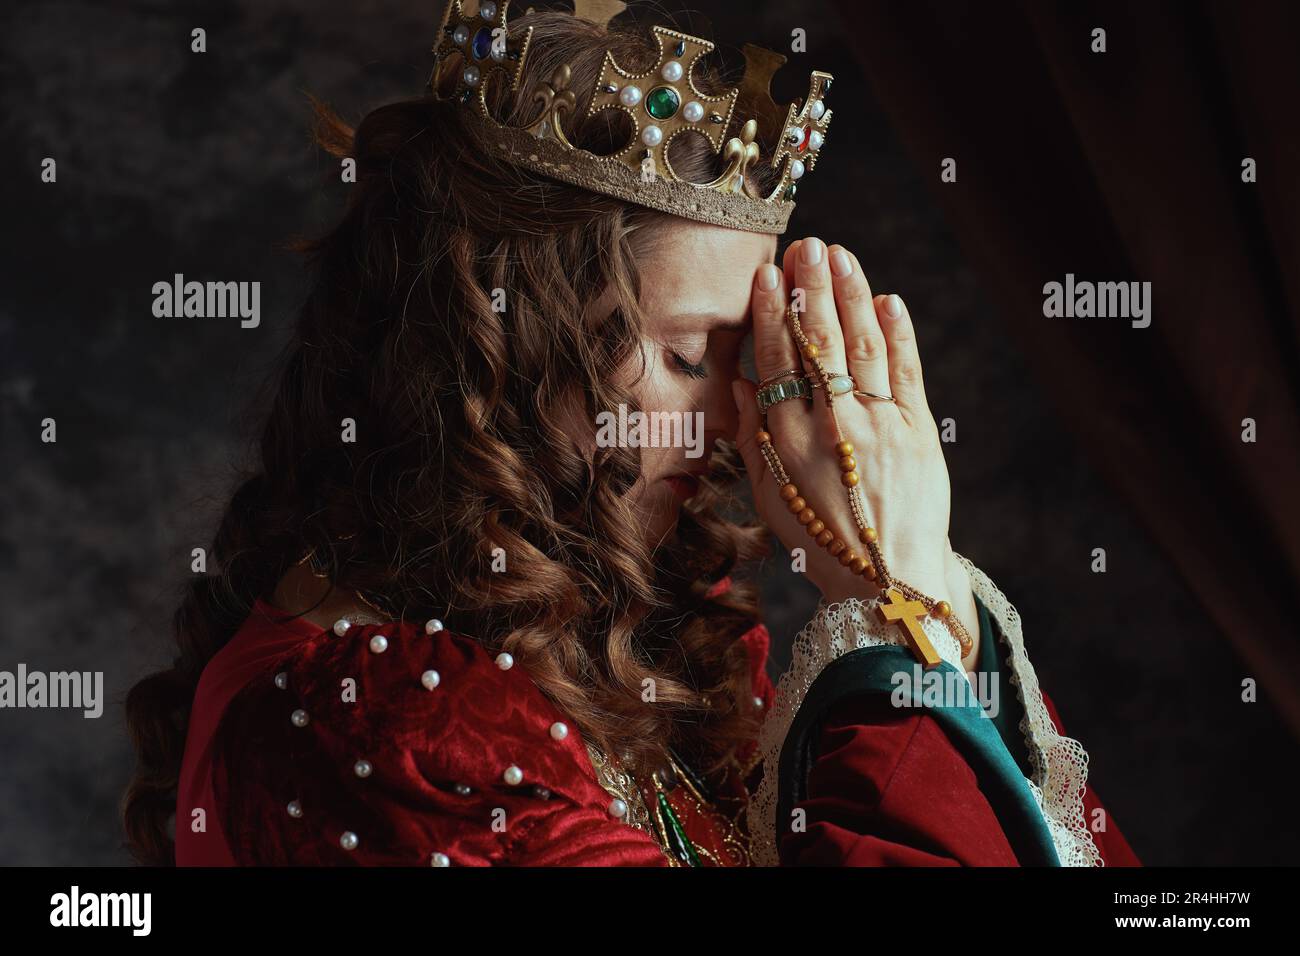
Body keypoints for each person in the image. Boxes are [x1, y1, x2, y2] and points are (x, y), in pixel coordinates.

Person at [122, 0, 1139, 867]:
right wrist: (893, 597)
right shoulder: (373, 725)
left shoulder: (633, 643)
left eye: (743, 361)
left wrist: (925, 587)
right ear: (505, 337)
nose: (744, 424)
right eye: (692, 356)